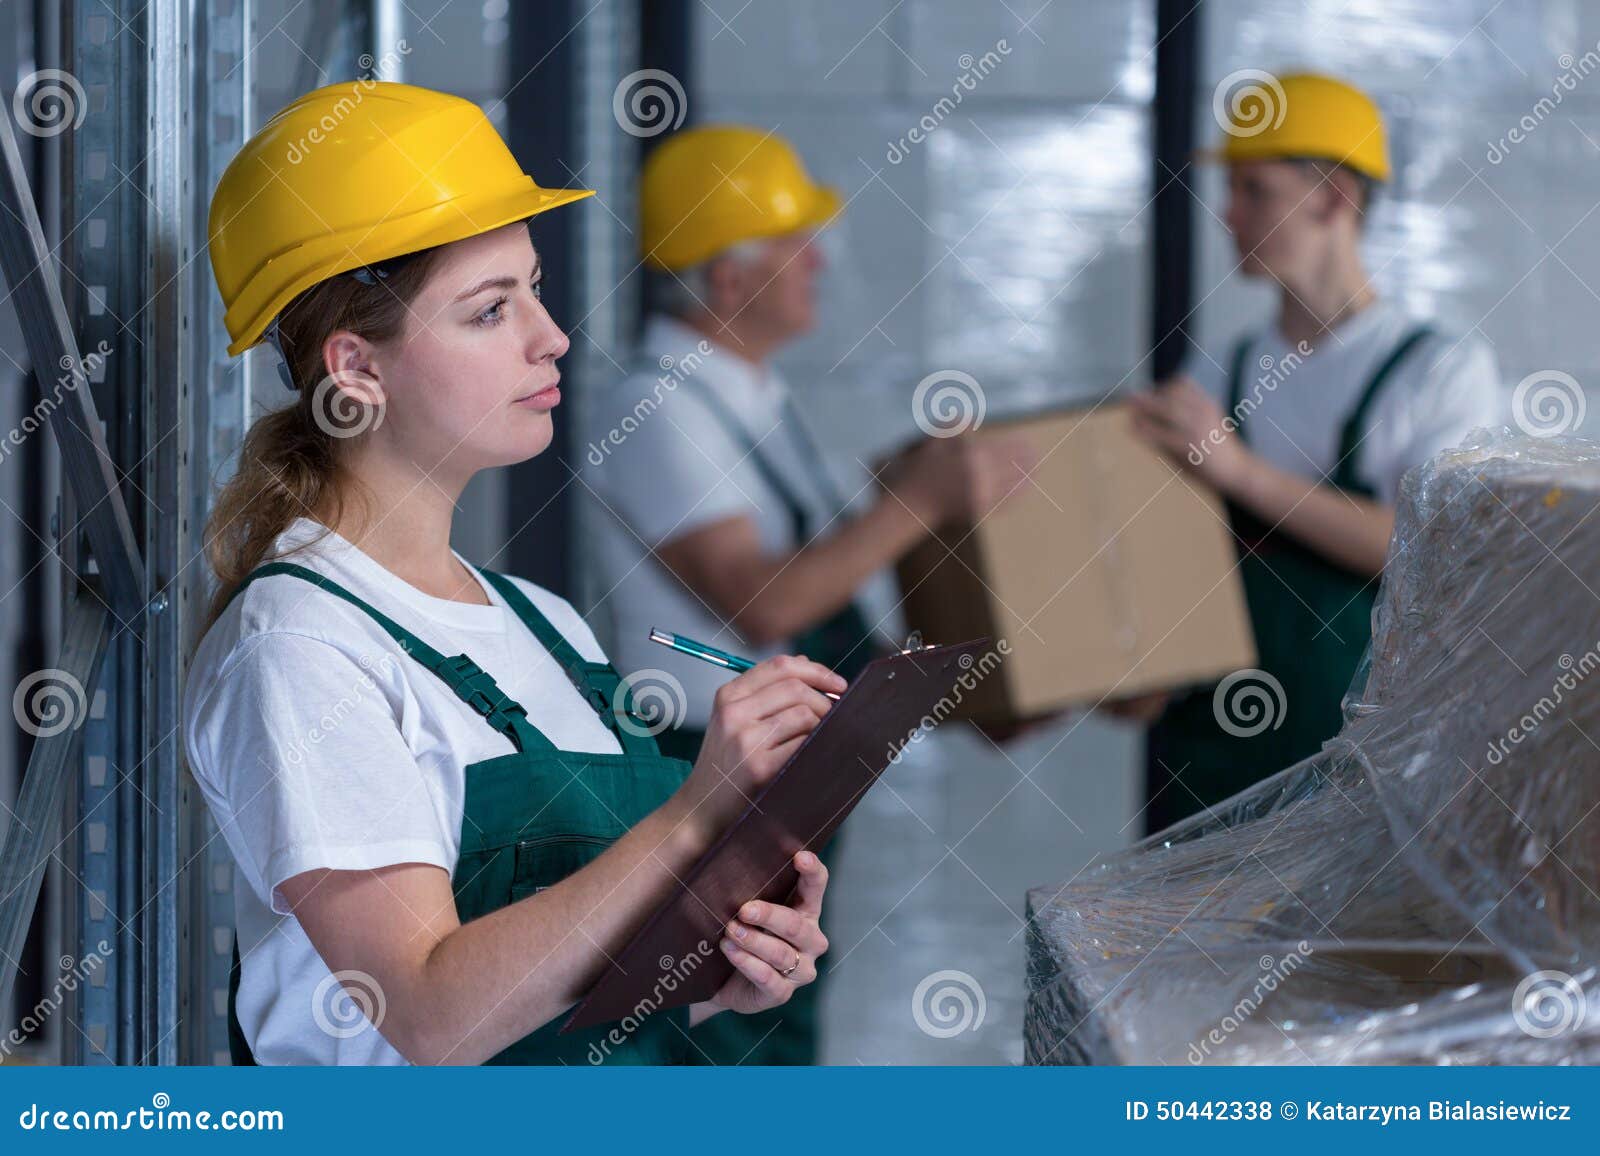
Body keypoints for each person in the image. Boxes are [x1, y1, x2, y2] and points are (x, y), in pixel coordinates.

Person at [183, 82, 841, 1066]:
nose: (552, 336)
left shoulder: (545, 625)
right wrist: (696, 811)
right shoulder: (300, 649)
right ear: (357, 367)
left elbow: (578, 987)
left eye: (534, 288)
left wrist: (721, 971)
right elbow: (430, 1015)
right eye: (490, 310)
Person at [581, 124, 1032, 1064]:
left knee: (773, 1009)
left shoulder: (750, 395)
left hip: (785, 771)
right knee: (723, 1032)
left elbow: (833, 577)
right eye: (797, 244)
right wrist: (922, 501)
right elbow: (766, 602)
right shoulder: (654, 408)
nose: (820, 262)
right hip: (702, 771)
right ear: (731, 280)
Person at [1119, 73, 1507, 834]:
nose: (1227, 214)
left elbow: (1441, 551)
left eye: (1254, 191)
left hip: (1373, 787)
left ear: (1334, 198)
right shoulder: (1214, 375)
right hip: (1211, 773)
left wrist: (1241, 475)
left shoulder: (1438, 373)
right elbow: (1161, 564)